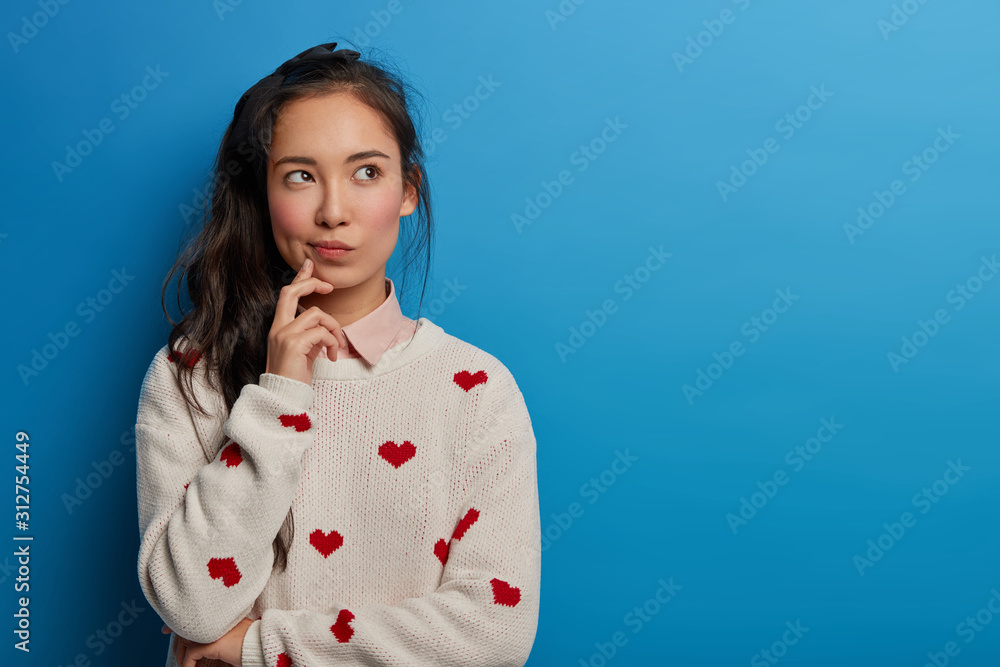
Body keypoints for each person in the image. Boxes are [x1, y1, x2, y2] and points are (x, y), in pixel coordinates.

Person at [134, 42, 541, 667]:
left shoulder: (476, 388)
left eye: (366, 172)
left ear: (408, 191)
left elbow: (494, 634)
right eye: (300, 175)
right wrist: (279, 397)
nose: (332, 211)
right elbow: (191, 606)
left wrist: (257, 646)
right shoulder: (192, 374)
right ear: (263, 193)